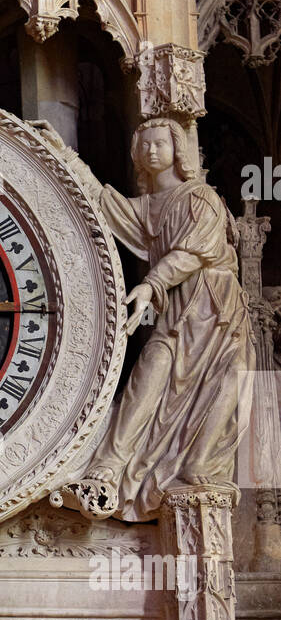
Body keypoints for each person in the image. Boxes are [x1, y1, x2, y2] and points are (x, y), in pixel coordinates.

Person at [62, 116, 255, 521]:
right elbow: (103, 203)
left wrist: (151, 284)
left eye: (160, 144)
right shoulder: (148, 207)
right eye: (144, 145)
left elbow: (190, 254)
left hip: (215, 308)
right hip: (178, 308)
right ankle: (109, 467)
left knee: (224, 387)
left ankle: (197, 467)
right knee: (148, 378)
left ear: (178, 151)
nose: (152, 151)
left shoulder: (200, 197)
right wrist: (63, 154)